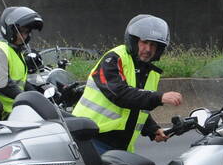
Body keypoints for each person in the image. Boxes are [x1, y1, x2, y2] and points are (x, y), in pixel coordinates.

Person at [73, 15, 183, 155]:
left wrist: (152, 129)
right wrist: (159, 97)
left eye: (153, 45)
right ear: (134, 41)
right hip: (92, 139)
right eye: (144, 42)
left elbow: (136, 106)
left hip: (120, 147)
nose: (148, 49)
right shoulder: (114, 58)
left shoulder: (149, 72)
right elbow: (120, 94)